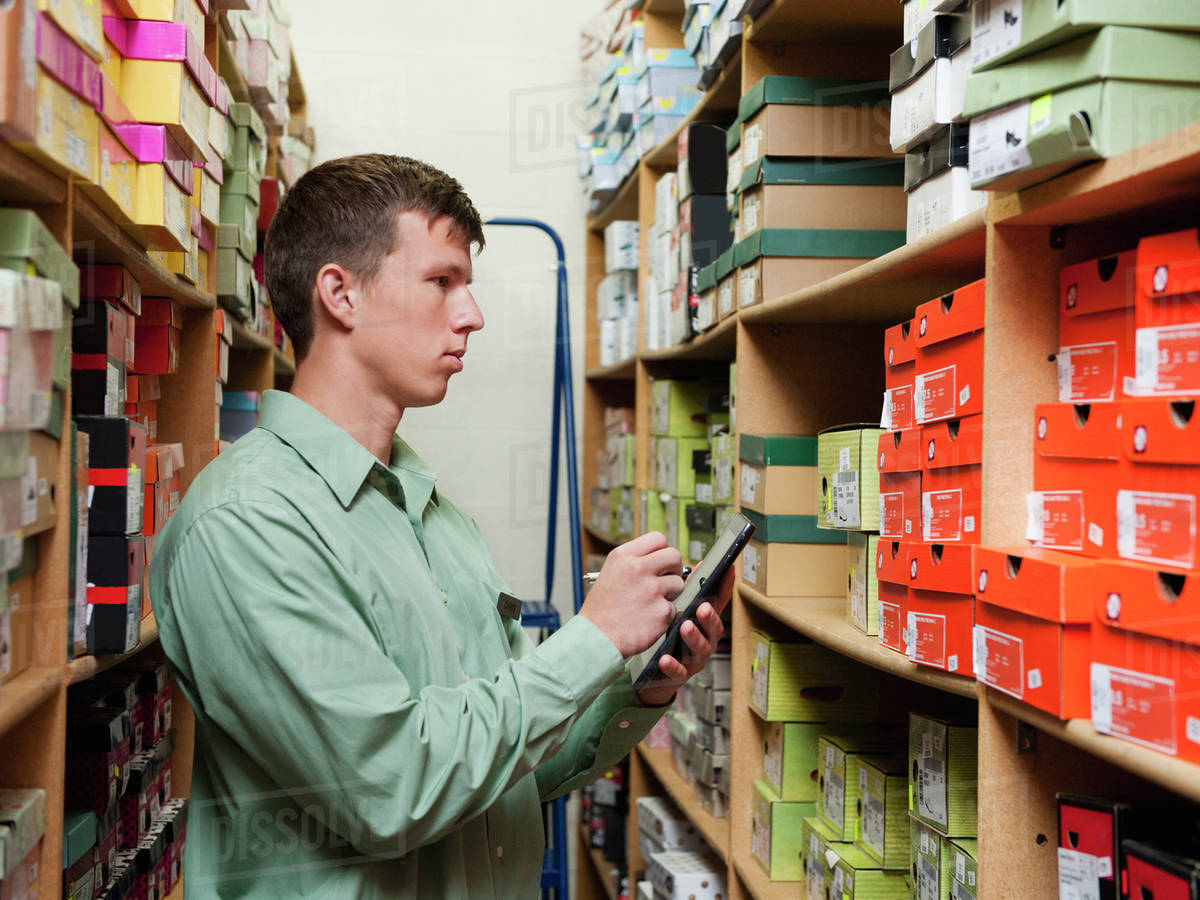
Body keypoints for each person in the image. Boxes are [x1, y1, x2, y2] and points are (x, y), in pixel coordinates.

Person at [149, 153, 732, 897]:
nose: (472, 315)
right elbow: (388, 790)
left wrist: (638, 687)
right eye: (441, 282)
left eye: (469, 286)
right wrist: (593, 639)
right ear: (341, 294)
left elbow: (520, 764)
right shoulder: (245, 525)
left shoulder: (437, 517)